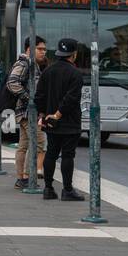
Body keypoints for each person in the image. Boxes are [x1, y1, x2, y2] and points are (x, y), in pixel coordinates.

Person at [34, 37, 85, 201]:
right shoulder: (76, 74)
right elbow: (72, 98)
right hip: (69, 121)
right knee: (68, 155)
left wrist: (43, 115)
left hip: (49, 120)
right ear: (74, 54)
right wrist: (58, 115)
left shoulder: (48, 71)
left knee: (51, 153)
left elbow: (39, 96)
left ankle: (48, 189)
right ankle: (67, 190)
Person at [4, 34, 47, 189]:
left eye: (44, 49)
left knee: (24, 145)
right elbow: (12, 82)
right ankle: (28, 177)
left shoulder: (30, 63)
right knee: (39, 142)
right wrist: (29, 99)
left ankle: (21, 178)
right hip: (28, 111)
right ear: (30, 49)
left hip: (23, 111)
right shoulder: (25, 63)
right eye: (40, 49)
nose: (44, 52)